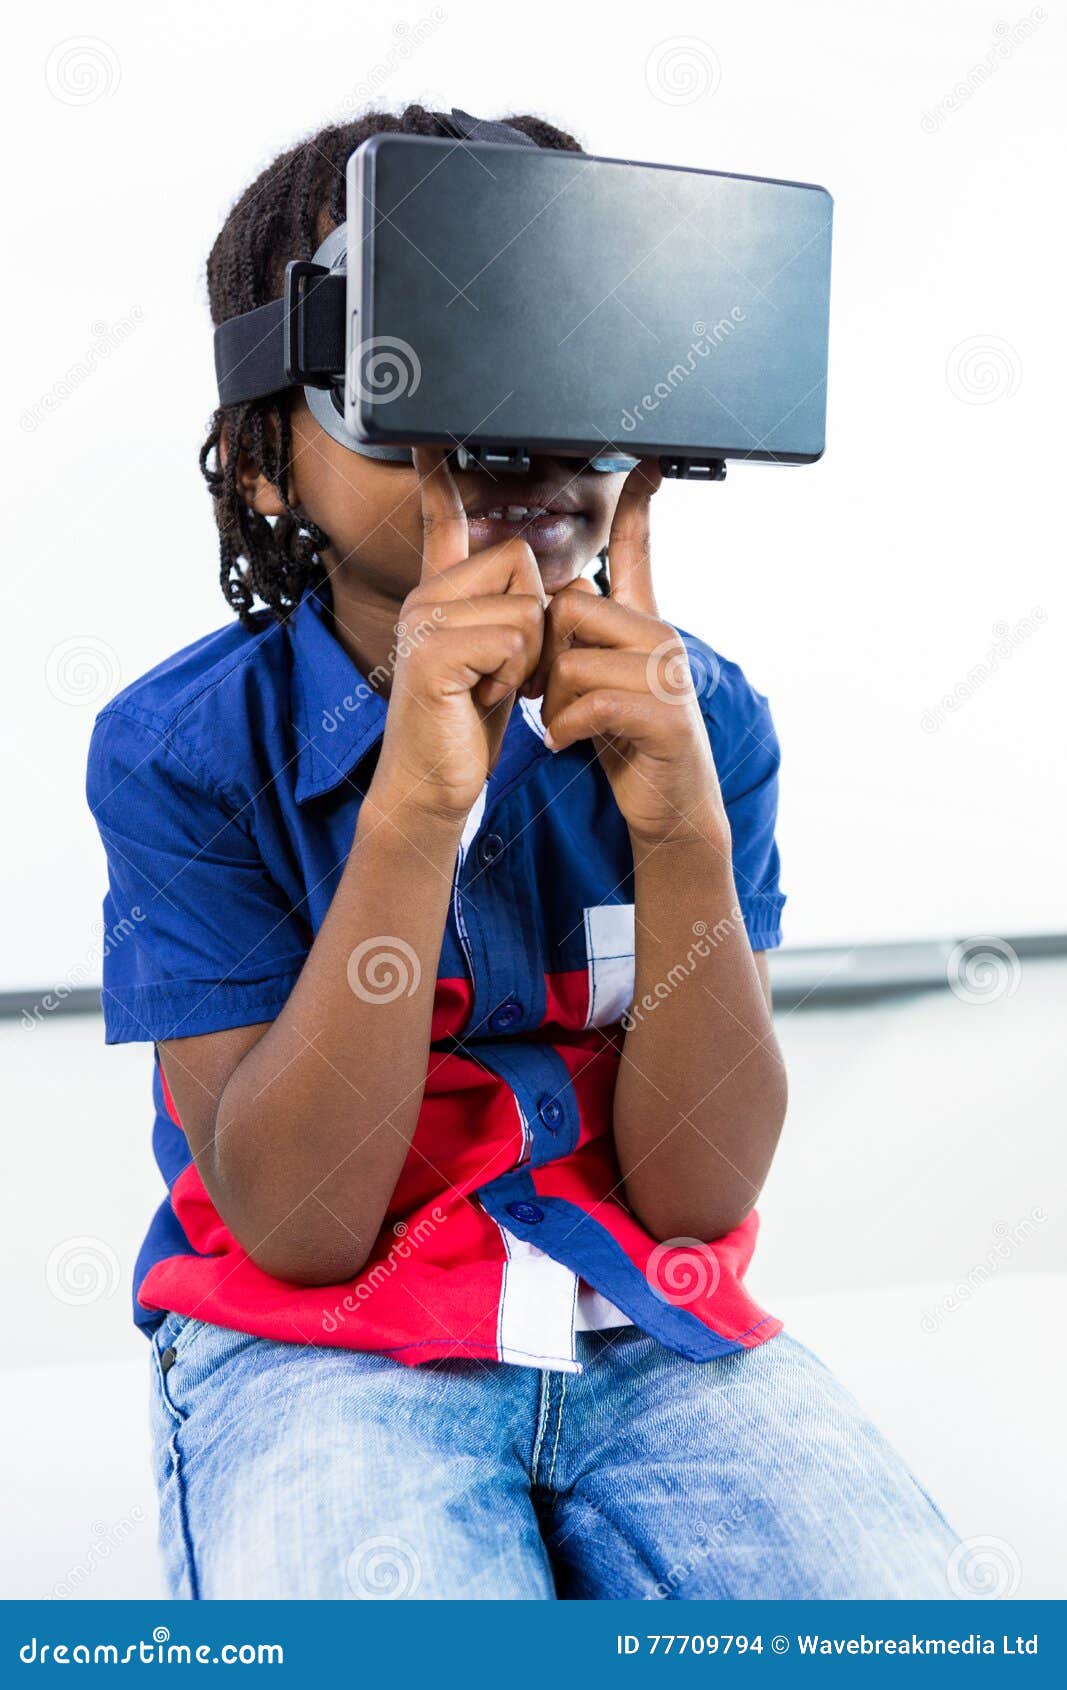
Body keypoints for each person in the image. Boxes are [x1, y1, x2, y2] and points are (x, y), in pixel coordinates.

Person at [87, 104, 957, 1600]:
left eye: (569, 353)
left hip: (642, 1318)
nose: (515, 437)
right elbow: (295, 1229)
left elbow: (696, 1196)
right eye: (414, 366)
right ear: (265, 467)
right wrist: (414, 812)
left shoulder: (708, 725)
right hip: (320, 1341)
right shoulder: (181, 750)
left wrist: (679, 827)